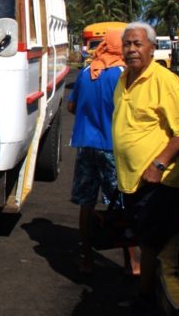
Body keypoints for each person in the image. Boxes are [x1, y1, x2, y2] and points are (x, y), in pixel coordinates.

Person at [112, 21, 179, 302]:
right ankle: (148, 292)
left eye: (138, 44)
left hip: (159, 180)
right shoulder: (124, 78)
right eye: (127, 44)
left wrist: (158, 164)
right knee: (143, 236)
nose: (132, 49)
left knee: (154, 243)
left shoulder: (165, 81)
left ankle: (147, 298)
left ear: (152, 47)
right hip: (133, 178)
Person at [67, 28, 139, 276]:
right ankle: (132, 263)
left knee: (86, 204)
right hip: (113, 148)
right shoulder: (124, 73)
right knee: (122, 206)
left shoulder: (87, 71)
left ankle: (86, 259)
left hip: (86, 145)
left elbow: (71, 106)